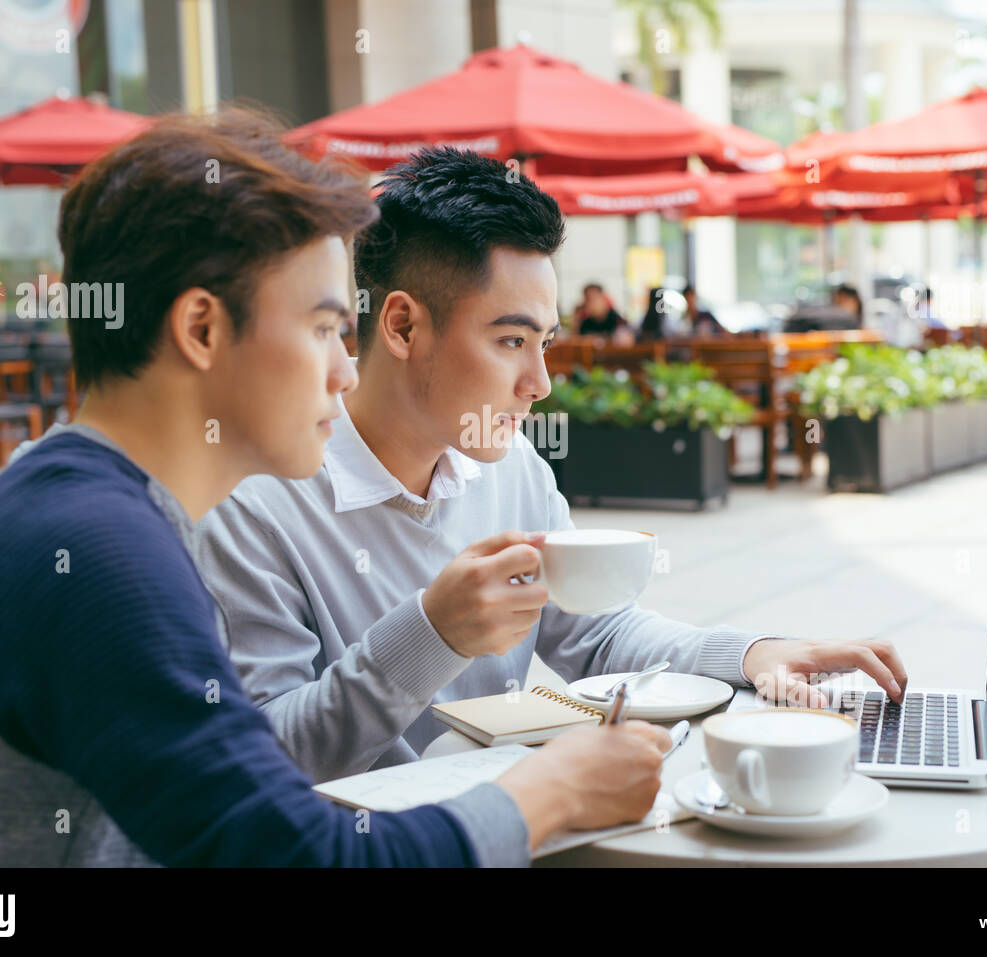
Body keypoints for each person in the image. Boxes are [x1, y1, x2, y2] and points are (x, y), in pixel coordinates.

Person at [0, 113, 671, 867]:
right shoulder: (91, 541)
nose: (347, 370)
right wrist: (549, 791)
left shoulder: (100, 507)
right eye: (323, 328)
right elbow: (293, 853)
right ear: (203, 329)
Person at [195, 147, 910, 784]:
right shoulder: (258, 499)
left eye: (546, 342)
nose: (539, 381)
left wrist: (755, 653)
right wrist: (431, 634)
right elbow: (267, 758)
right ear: (404, 325)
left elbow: (595, 635)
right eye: (511, 341)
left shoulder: (513, 469)